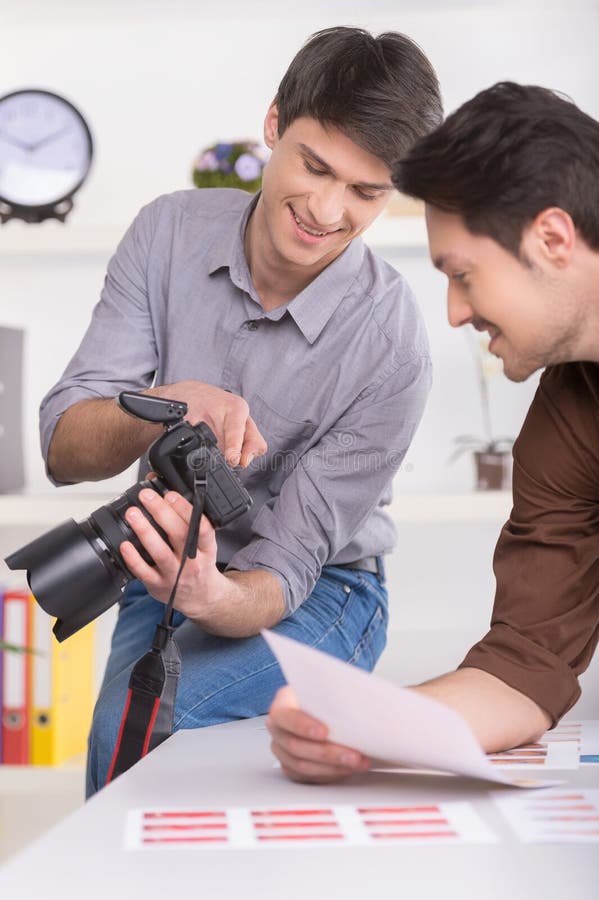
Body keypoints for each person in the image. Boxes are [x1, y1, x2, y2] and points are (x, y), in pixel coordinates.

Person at [39, 27, 442, 795]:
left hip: (323, 589)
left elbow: (286, 567)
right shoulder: (168, 234)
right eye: (314, 166)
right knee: (118, 747)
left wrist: (209, 595)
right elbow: (63, 446)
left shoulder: (392, 345)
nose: (325, 210)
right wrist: (165, 406)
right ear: (273, 124)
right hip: (165, 561)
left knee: (146, 720)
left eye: (365, 192)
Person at [267, 81, 599, 783]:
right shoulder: (568, 423)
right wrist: (359, 726)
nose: (453, 313)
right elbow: (525, 664)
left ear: (552, 239)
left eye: (463, 275)